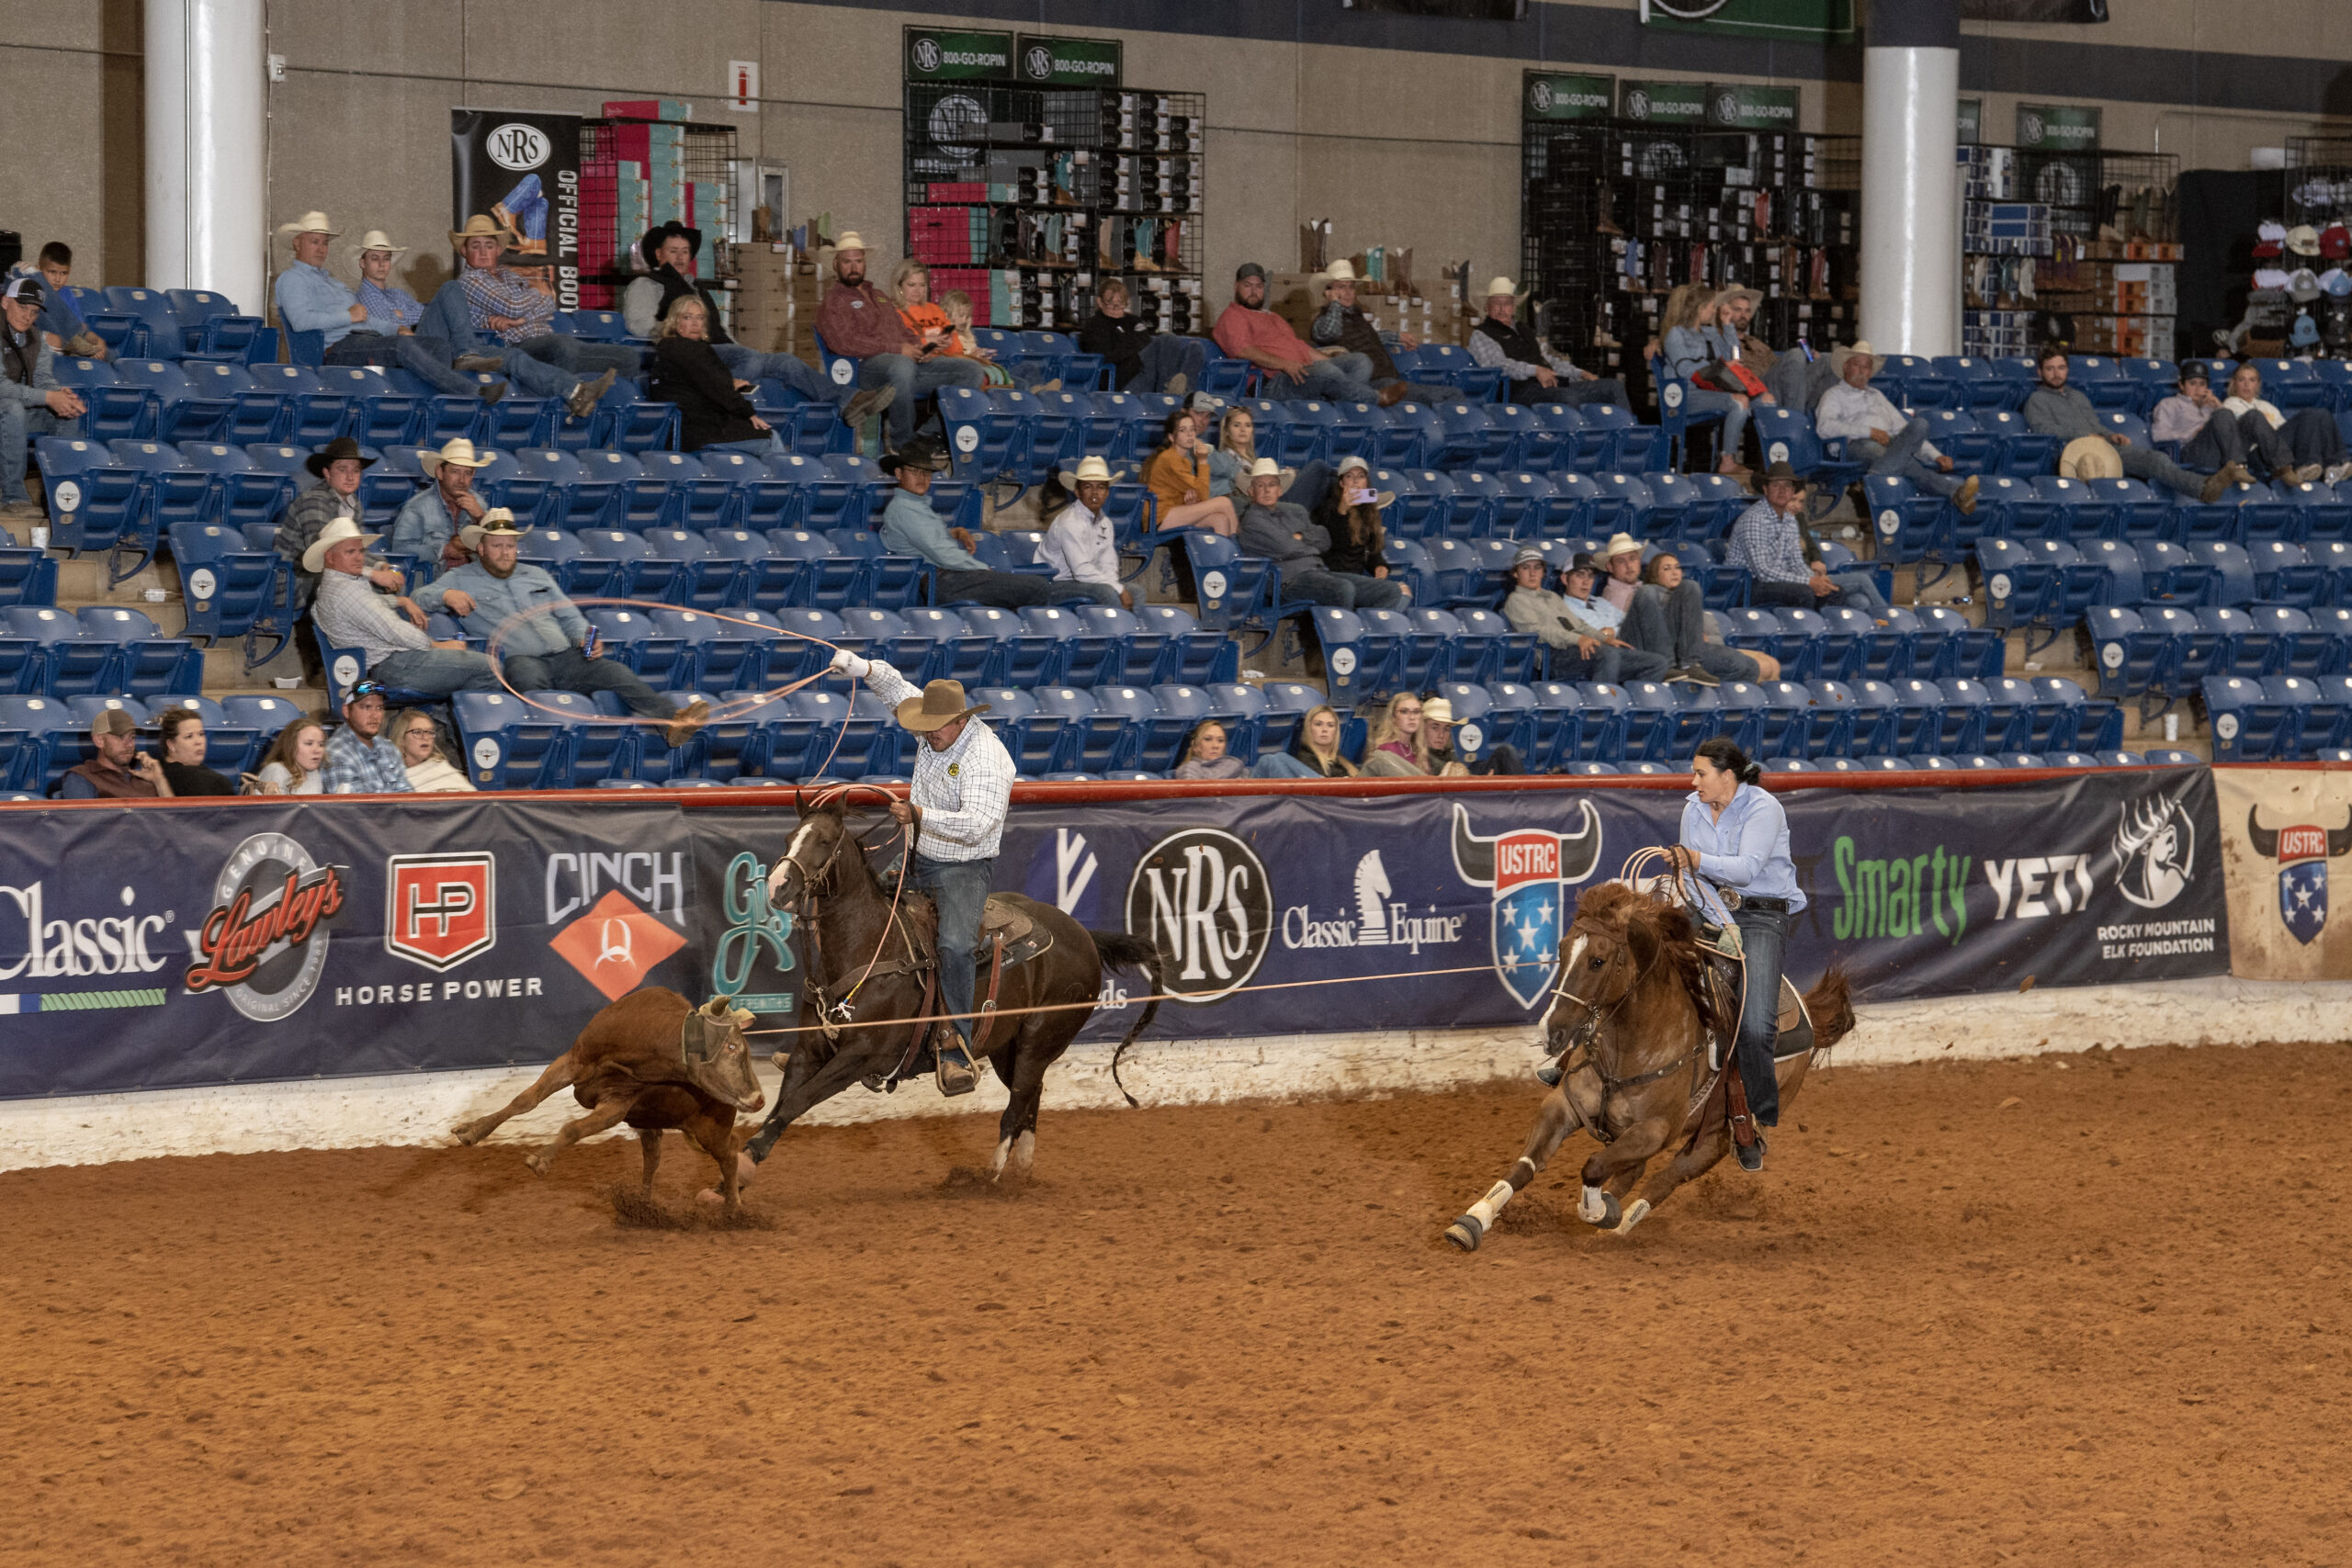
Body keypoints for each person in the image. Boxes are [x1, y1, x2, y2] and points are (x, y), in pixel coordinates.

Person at [811, 653, 1016, 1098]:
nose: (927, 734)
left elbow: (979, 823)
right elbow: (895, 689)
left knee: (955, 945)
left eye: (936, 727)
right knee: (851, 913)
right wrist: (862, 667)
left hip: (963, 867)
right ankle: (833, 1035)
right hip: (917, 855)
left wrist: (919, 813)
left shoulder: (986, 758)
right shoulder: (934, 728)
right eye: (924, 725)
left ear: (961, 721)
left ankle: (956, 1046)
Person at [412, 512, 710, 743]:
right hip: (519, 660)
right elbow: (419, 597)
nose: (505, 552)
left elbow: (571, 616)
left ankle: (673, 721)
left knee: (616, 672)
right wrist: (446, 595)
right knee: (525, 674)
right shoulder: (462, 578)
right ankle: (540, 741)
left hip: (567, 656)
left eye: (510, 545)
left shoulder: (537, 574)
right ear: (481, 547)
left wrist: (589, 638)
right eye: (497, 546)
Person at [1663, 737, 1804, 1172]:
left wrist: (1697, 858)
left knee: (1756, 1024)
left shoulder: (1764, 808)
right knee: (1639, 952)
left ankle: (1757, 1116)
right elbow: (1693, 880)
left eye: (1701, 773)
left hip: (1762, 917)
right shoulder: (1694, 808)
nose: (1694, 781)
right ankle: (1579, 1056)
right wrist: (1720, 920)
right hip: (1710, 907)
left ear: (1728, 776)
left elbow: (1747, 869)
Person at [624, 220, 892, 434]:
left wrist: (734, 348)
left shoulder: (696, 289)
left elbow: (720, 331)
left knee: (785, 361)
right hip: (685, 356)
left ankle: (849, 399)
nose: (681, 257)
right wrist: (678, 334)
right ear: (658, 254)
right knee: (750, 358)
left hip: (716, 350)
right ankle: (719, 403)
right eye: (674, 251)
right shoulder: (646, 286)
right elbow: (639, 325)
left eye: (685, 252)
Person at [272, 211, 511, 405]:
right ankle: (471, 393)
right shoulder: (292, 279)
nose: (322, 248)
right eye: (314, 242)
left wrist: (395, 328)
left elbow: (365, 320)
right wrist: (348, 315)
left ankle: (434, 403)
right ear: (297, 243)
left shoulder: (336, 284)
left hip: (365, 339)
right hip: (336, 349)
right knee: (402, 346)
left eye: (324, 243)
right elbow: (301, 322)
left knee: (436, 344)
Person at [813, 231, 984, 450]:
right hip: (864, 370)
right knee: (901, 364)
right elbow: (844, 343)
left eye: (858, 261)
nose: (854, 267)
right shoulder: (834, 302)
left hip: (903, 367)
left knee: (971, 370)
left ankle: (929, 433)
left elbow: (903, 331)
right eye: (847, 262)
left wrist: (919, 347)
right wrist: (898, 349)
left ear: (865, 263)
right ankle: (903, 443)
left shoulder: (879, 295)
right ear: (836, 264)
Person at [309, 517, 503, 697]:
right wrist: (436, 645)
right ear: (330, 557)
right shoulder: (348, 591)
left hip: (375, 672)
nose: (359, 557)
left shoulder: (333, 587)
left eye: (360, 551)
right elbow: (394, 630)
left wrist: (401, 601)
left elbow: (366, 607)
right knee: (489, 668)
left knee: (473, 668)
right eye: (350, 552)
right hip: (390, 669)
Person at [2023, 345, 2244, 504]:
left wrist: (2112, 436)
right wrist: (2086, 436)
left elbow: (2096, 426)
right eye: (2050, 369)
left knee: (2155, 458)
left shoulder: (2078, 396)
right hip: (2076, 454)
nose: (2056, 373)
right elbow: (2044, 430)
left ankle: (2206, 486)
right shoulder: (2036, 400)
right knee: (2157, 460)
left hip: (2104, 447)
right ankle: (2204, 487)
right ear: (2040, 372)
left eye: (2061, 367)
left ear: (2067, 370)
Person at [447, 214, 639, 384]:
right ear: (464, 251)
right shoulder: (469, 281)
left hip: (545, 344)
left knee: (627, 357)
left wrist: (520, 319)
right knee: (562, 345)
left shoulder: (509, 276)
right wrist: (530, 300)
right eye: (475, 246)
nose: (483, 252)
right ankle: (567, 401)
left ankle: (604, 408)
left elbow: (548, 303)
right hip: (513, 347)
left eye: (489, 245)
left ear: (497, 250)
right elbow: (513, 306)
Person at [875, 436, 1051, 608]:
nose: (922, 478)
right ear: (899, 473)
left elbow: (925, 537)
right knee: (1037, 588)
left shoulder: (914, 507)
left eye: (926, 472)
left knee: (1034, 589)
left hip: (948, 578)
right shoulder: (905, 509)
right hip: (942, 581)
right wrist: (983, 569)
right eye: (914, 471)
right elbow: (940, 552)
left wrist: (954, 532)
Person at [1813, 344, 1978, 513]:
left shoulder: (1877, 395)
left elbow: (1902, 428)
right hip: (1853, 446)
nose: (1862, 371)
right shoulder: (1833, 395)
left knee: (1920, 425)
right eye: (1857, 365)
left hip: (1889, 446)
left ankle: (1873, 479)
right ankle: (1955, 492)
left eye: (1867, 367)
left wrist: (1936, 456)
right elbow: (1825, 427)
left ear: (1871, 372)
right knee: (1904, 462)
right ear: (1846, 366)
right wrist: (1869, 431)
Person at [1234, 457, 1406, 611]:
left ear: (1279, 490)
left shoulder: (1295, 511)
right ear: (1250, 491)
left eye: (1272, 484)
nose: (1266, 490)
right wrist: (1308, 544)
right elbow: (1286, 546)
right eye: (1260, 485)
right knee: (1343, 589)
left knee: (1390, 591)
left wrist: (1300, 538)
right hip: (1288, 581)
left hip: (1318, 572)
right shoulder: (1253, 520)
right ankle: (1341, 641)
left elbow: (1324, 540)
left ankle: (1365, 637)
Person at [1728, 463, 1890, 614]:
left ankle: (1825, 636)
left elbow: (1796, 562)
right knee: (1805, 591)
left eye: (1788, 486)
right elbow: (1763, 572)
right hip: (1748, 585)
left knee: (1839, 594)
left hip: (1778, 581)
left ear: (1792, 491)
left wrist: (1816, 581)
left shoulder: (1790, 519)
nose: (1782, 491)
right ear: (1765, 489)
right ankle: (1887, 623)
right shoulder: (1754, 519)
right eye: (1776, 485)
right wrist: (1809, 582)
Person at [1213, 263, 1382, 405]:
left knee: (1360, 361)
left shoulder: (1273, 317)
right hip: (1274, 380)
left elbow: (1299, 346)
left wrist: (1333, 362)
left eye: (1258, 286)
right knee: (1326, 371)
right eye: (1247, 286)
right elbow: (1243, 350)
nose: (1253, 291)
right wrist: (1284, 364)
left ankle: (1340, 406)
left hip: (1302, 372)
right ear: (1236, 287)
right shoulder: (1233, 315)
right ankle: (1375, 398)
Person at [1599, 533, 1754, 686]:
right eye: (1621, 561)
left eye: (1632, 559)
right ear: (1610, 567)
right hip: (1637, 646)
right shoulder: (1608, 597)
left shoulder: (1649, 588)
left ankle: (1690, 668)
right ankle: (1667, 666)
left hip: (1671, 643)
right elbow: (1614, 633)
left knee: (1749, 667)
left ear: (1639, 561)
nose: (1629, 566)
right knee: (1647, 593)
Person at [1503, 547, 1667, 684]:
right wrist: (1578, 639)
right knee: (1607, 654)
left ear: (1543, 572)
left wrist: (1605, 639)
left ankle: (1635, 708)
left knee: (1656, 662)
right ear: (1516, 573)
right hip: (1553, 656)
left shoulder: (1551, 597)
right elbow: (1540, 632)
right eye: (1525, 568)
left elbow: (1578, 625)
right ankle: (1601, 709)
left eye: (1537, 567)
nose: (1532, 573)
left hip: (1578, 650)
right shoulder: (1516, 600)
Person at [647, 295, 786, 455]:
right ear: (675, 321)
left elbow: (701, 383)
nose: (695, 324)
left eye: (700, 318)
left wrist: (728, 383)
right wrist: (748, 413)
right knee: (771, 438)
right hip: (701, 431)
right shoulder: (689, 350)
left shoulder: (669, 350)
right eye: (687, 317)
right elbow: (718, 387)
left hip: (688, 430)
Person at [1659, 285, 1770, 476]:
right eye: (1711, 307)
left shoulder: (1710, 333)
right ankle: (1728, 461)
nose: (1714, 311)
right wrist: (1719, 368)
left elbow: (1733, 354)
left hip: (1714, 389)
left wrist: (1727, 325)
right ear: (1699, 308)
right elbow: (1685, 370)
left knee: (1767, 401)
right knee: (1740, 402)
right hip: (1688, 394)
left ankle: (1768, 465)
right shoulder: (1676, 334)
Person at [1308, 260, 1452, 405]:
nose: (1348, 292)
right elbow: (1330, 333)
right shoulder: (1322, 321)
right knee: (1450, 395)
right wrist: (1334, 303)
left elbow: (1371, 337)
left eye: (1351, 287)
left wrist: (1397, 336)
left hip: (1385, 378)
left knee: (1448, 394)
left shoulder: (1355, 316)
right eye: (1341, 287)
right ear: (1329, 292)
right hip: (1372, 383)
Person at [1466, 277, 1625, 408]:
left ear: (1513, 308)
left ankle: (1624, 440)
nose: (1502, 309)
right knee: (1566, 397)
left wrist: (1579, 373)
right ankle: (1577, 444)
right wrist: (1534, 370)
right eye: (1496, 304)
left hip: (1549, 385)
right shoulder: (1481, 334)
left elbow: (1547, 361)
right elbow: (1497, 366)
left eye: (1507, 304)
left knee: (1613, 387)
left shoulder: (1525, 330)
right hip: (1518, 391)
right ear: (1487, 307)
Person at [1, 276, 84, 515]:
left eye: (35, 312)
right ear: (5, 302)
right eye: (22, 307)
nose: (28, 316)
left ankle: (60, 499)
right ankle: (13, 497)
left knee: (67, 415)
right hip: (7, 409)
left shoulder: (36, 339)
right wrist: (48, 398)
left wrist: (59, 395)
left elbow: (43, 380)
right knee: (12, 407)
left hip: (12, 414)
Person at [1643, 551, 1777, 681]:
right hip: (1686, 655)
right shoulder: (1653, 599)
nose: (1674, 572)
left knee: (1773, 664)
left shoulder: (1684, 596)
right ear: (1655, 575)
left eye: (1677, 567)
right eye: (1667, 569)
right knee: (1764, 668)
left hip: (1709, 648)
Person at [2209, 362, 2351, 484]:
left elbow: (2285, 431)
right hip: (2256, 454)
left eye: (2252, 380)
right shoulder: (2229, 404)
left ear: (2258, 384)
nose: (2247, 384)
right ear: (2234, 383)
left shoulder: (2266, 406)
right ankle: (2306, 463)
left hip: (2278, 451)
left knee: (2320, 413)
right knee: (2308, 415)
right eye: (2242, 380)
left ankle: (2335, 465)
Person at [1077, 276, 1204, 395]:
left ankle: (1182, 394)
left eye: (1121, 303)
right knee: (1167, 339)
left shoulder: (1134, 320)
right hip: (1124, 378)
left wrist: (1128, 344)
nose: (1116, 308)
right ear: (1100, 302)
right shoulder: (1095, 324)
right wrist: (1132, 347)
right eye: (1110, 303)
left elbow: (1144, 342)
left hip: (1148, 371)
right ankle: (1165, 392)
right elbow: (1104, 355)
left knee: (1195, 349)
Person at [389, 435, 494, 573]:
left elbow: (497, 548)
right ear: (440, 472)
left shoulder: (478, 503)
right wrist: (445, 551)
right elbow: (400, 550)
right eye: (455, 472)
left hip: (474, 579)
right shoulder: (417, 506)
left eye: (467, 473)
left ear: (473, 475)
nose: (462, 480)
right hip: (435, 583)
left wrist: (481, 517)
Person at [1039, 456, 1130, 608]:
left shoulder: (1105, 523)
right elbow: (1081, 570)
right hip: (1056, 584)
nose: (1095, 493)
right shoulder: (1069, 522)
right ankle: (1115, 629)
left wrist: (1116, 586)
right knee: (1107, 592)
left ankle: (1131, 629)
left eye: (1100, 487)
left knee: (1136, 592)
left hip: (1084, 582)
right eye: (1088, 487)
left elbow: (1107, 563)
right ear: (1077, 492)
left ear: (1107, 493)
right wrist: (1118, 589)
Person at [1208, 404, 1331, 513]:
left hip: (1275, 498)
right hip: (1264, 503)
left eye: (1248, 425)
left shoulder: (1252, 459)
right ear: (1227, 431)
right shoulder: (1225, 458)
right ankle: (1343, 475)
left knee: (1329, 484)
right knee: (1319, 467)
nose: (1243, 430)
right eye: (1236, 425)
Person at [1312, 457, 1403, 593]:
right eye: (1349, 476)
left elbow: (1371, 551)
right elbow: (1331, 544)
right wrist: (1342, 512)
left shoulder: (1368, 511)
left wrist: (1379, 566)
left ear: (1366, 483)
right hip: (1333, 577)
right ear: (1342, 483)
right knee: (1392, 591)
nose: (1355, 481)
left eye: (1361, 476)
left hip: (1356, 578)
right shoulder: (1327, 509)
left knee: (1403, 591)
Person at [1145, 409, 1238, 536]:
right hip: (1158, 518)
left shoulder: (1185, 461)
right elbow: (1204, 493)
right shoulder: (1169, 459)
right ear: (1172, 437)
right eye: (1183, 430)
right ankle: (1239, 551)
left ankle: (1224, 555)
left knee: (1220, 519)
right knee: (1224, 502)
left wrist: (1190, 503)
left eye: (1192, 429)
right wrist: (1202, 459)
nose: (1190, 434)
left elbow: (1197, 495)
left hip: (1174, 513)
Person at [10, 241, 107, 358]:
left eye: (64, 273)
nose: (58, 279)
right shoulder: (32, 290)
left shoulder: (67, 294)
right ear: (39, 269)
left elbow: (77, 326)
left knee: (108, 354)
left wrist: (97, 341)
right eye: (52, 272)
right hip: (35, 337)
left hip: (66, 339)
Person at [322, 680, 415, 794]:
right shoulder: (336, 754)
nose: (374, 715)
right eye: (366, 707)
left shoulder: (388, 748)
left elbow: (408, 797)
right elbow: (353, 809)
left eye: (379, 708)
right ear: (346, 711)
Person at [56, 708, 164, 798]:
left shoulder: (144, 777)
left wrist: (159, 780)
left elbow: (173, 820)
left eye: (132, 737)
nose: (129, 744)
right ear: (99, 741)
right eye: (120, 737)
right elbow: (84, 822)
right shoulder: (82, 776)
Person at [1363, 693, 1465, 778]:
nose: (1411, 717)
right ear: (1393, 718)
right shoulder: (1386, 750)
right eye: (1404, 712)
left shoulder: (1418, 750)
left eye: (1416, 712)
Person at [1421, 695, 1522, 775]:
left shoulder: (1447, 753)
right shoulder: (1419, 755)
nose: (1441, 735)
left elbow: (1464, 775)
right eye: (1435, 728)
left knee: (1505, 751)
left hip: (1467, 786)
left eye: (1446, 729)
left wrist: (1481, 781)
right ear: (1423, 729)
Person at [349, 230, 424, 335]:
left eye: (386, 259)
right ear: (362, 263)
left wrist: (402, 314)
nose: (382, 264)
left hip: (421, 337)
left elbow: (428, 314)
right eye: (375, 259)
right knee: (448, 289)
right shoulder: (365, 296)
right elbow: (391, 326)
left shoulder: (399, 293)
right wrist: (413, 318)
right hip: (404, 344)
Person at [154, 708, 237, 795]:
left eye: (201, 734)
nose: (199, 741)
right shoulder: (214, 782)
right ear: (171, 744)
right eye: (189, 736)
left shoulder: (213, 779)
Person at [391, 707, 476, 793]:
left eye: (430, 732)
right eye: (417, 732)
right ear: (402, 739)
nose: (425, 738)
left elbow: (474, 802)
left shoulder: (444, 771)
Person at [247, 716, 327, 795]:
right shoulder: (276, 770)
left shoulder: (314, 774)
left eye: (321, 744)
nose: (317, 750)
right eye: (309, 743)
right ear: (290, 746)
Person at [1283, 704, 1359, 777]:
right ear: (1308, 728)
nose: (1324, 729)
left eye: (1330, 725)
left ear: (1336, 730)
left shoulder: (1341, 760)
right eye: (1318, 724)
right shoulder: (1304, 761)